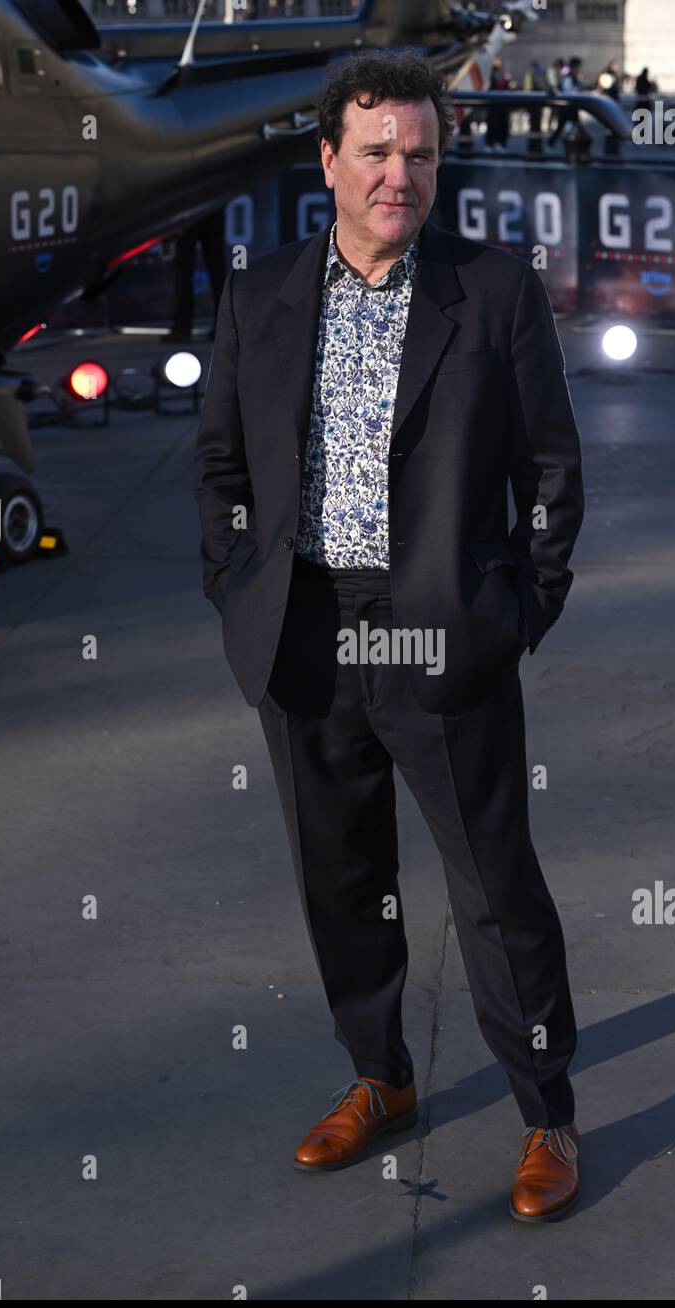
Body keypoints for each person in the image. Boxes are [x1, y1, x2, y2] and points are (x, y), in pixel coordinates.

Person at [193, 47, 585, 1223]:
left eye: (417, 153)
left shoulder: (494, 288)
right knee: (341, 874)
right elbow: (218, 466)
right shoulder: (258, 296)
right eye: (374, 151)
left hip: (441, 637)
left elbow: (551, 471)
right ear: (329, 162)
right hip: (304, 635)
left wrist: (514, 611)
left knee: (491, 887)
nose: (397, 175)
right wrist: (237, 583)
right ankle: (382, 1078)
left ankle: (544, 1112)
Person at [166, 208, 227, 342]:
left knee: (184, 270)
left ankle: (182, 328)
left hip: (188, 209)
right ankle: (225, 327)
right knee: (217, 270)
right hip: (213, 205)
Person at [485, 55, 511, 149]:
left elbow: (507, 85)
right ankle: (490, 143)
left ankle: (500, 143)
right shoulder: (490, 72)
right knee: (493, 124)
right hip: (493, 104)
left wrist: (509, 82)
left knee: (502, 124)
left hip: (502, 104)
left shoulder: (503, 72)